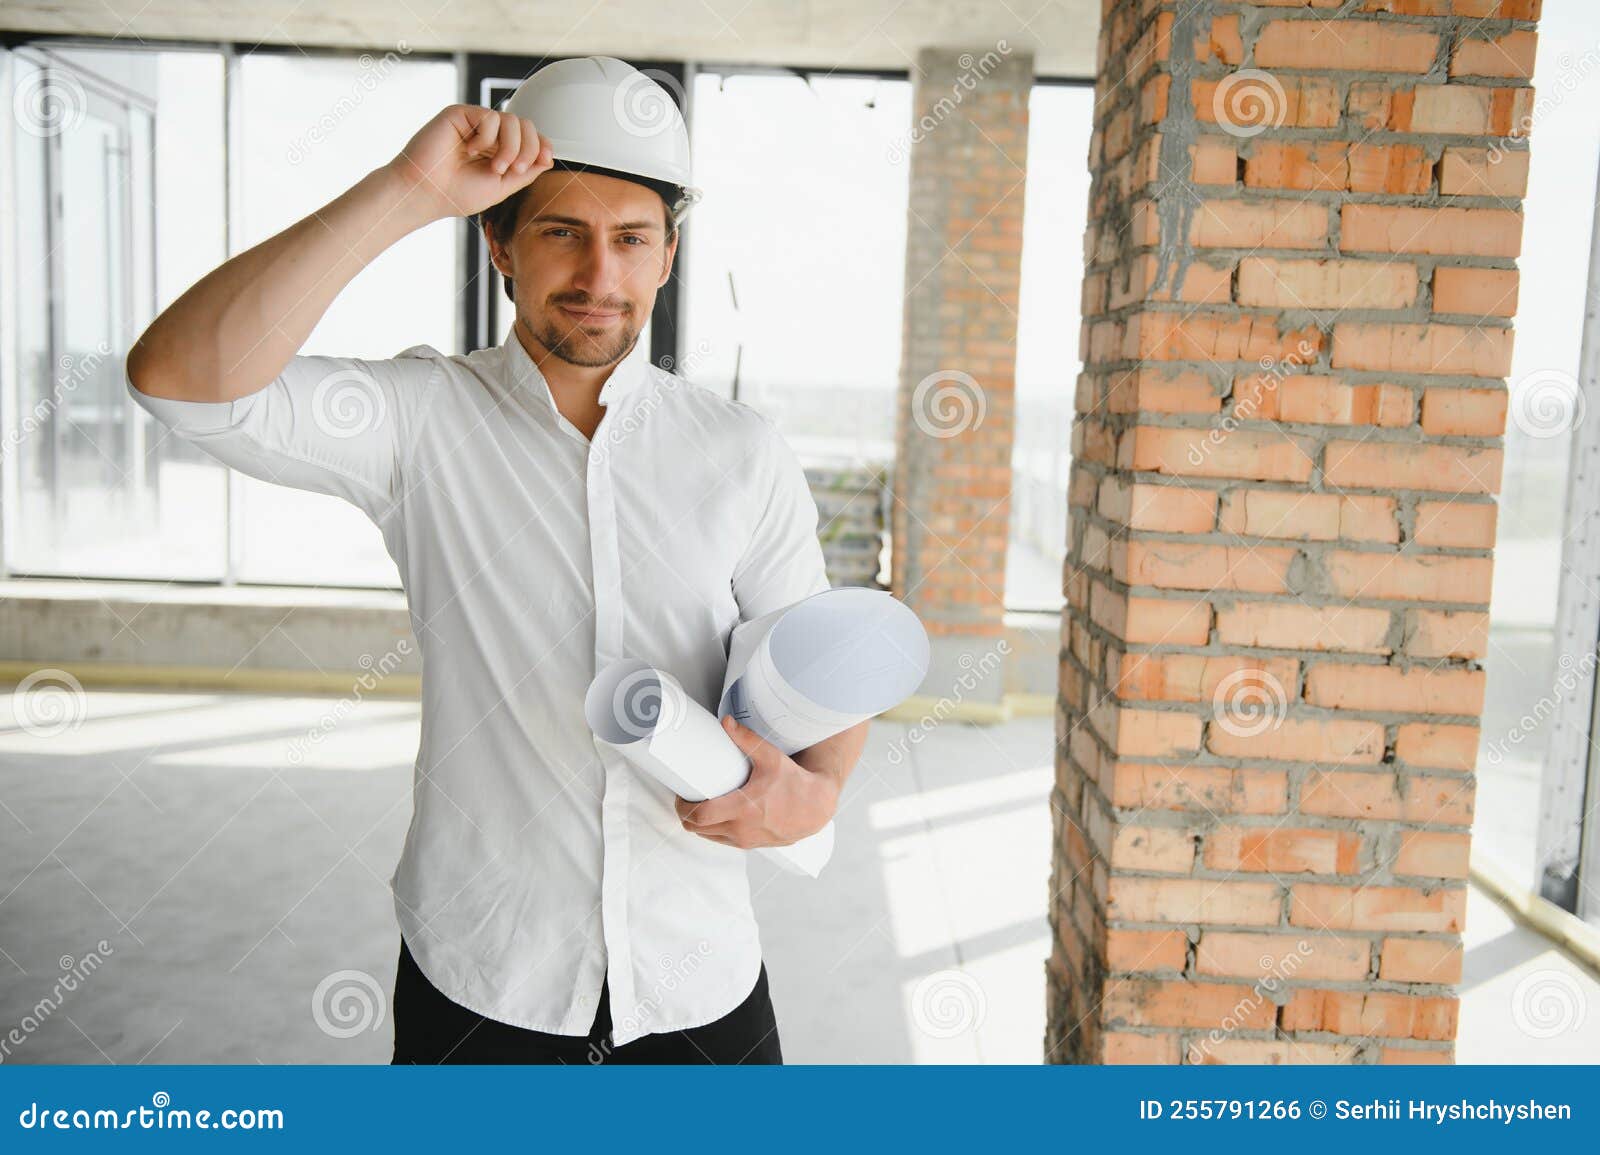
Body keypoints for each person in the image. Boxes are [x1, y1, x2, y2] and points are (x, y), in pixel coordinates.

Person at [125, 55, 868, 1065]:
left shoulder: (740, 452)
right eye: (561, 233)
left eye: (630, 239)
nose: (599, 276)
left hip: (695, 971)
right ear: (499, 244)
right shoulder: (415, 420)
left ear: (667, 255)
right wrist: (407, 192)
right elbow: (181, 380)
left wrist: (816, 792)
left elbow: (816, 668)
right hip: (484, 973)